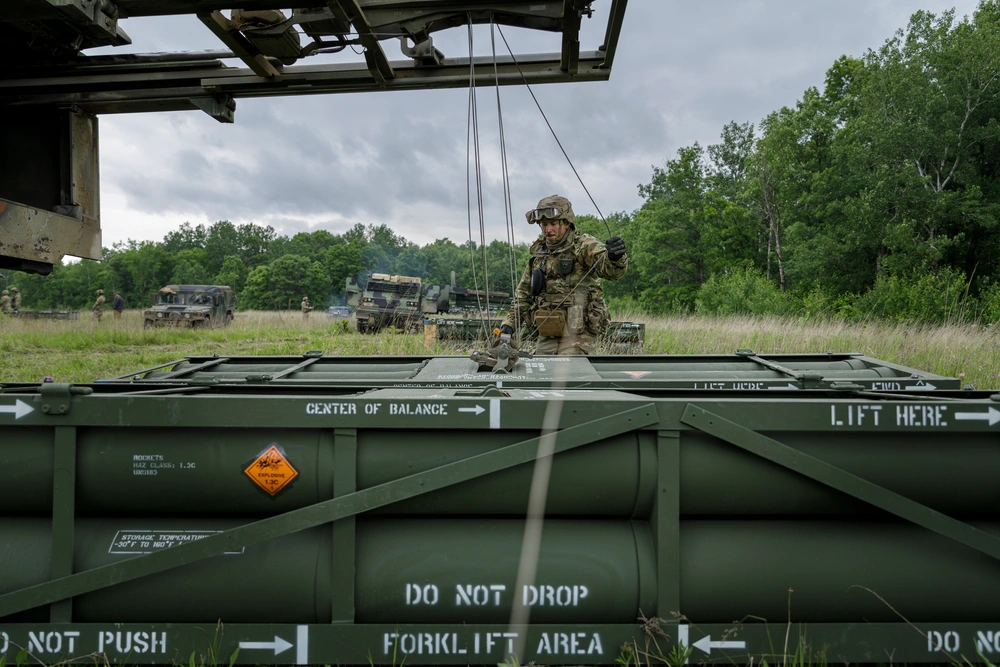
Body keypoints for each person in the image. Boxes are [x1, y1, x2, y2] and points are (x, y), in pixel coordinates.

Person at [499, 195, 627, 355]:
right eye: (544, 225)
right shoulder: (540, 254)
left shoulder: (583, 246)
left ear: (566, 223)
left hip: (579, 333)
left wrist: (615, 258)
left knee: (570, 376)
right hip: (548, 330)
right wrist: (509, 325)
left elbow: (609, 270)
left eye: (553, 224)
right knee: (542, 372)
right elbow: (523, 295)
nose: (548, 230)